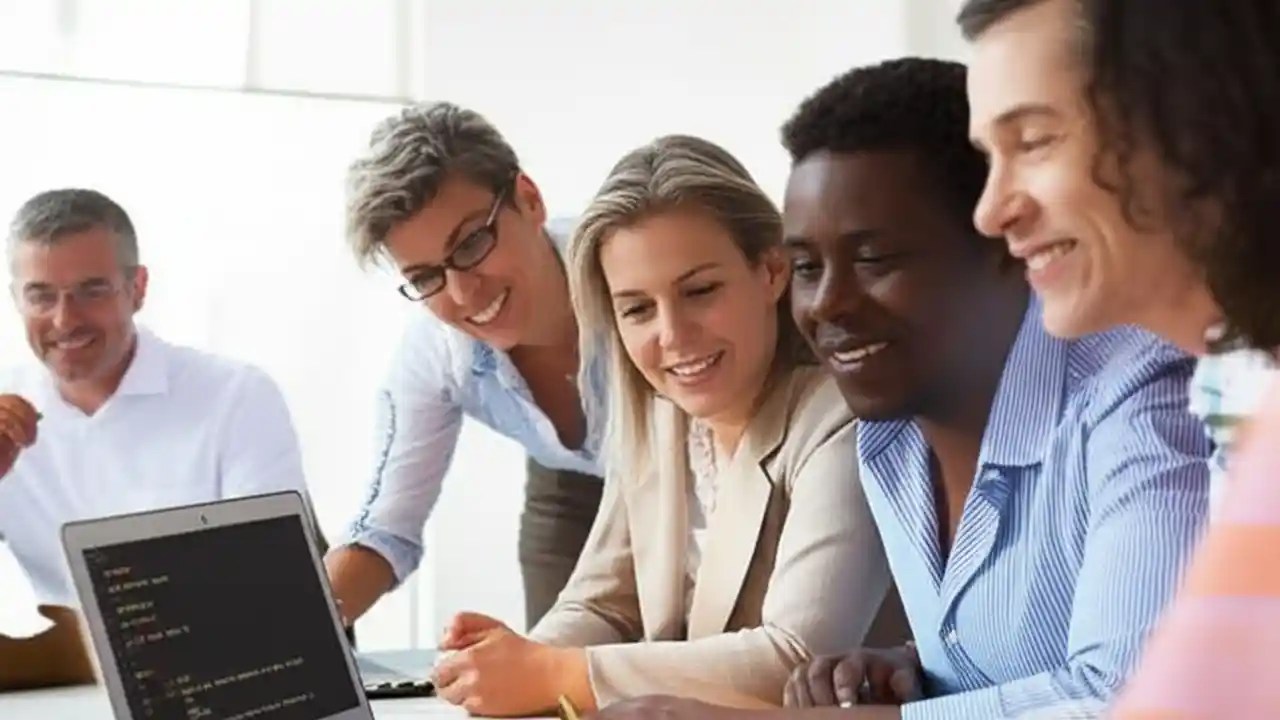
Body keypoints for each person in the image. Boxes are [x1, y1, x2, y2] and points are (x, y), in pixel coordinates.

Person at [584, 58, 1210, 720]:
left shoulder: (1143, 398)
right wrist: (913, 670)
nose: (827, 305)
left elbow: (1134, 699)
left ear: (1001, 245)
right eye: (806, 267)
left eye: (874, 259)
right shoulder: (890, 441)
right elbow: (1019, 664)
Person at [429, 134, 902, 718]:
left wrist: (555, 672)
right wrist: (510, 662)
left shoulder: (844, 420)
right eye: (637, 309)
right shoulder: (657, 414)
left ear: (771, 271)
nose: (672, 336)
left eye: (700, 291)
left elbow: (797, 657)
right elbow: (603, 605)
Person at [955, 1, 1280, 716]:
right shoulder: (1231, 385)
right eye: (989, 157)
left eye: (1035, 141)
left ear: (1196, 124)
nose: (989, 209)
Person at [0, 188, 307, 689]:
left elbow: (271, 584)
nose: (64, 319)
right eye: (41, 295)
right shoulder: (3, 412)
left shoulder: (235, 396)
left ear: (137, 288)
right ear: (15, 298)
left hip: (214, 685)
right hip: (60, 698)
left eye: (91, 290)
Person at [329, 102, 605, 629]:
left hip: (704, 469)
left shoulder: (631, 276)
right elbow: (385, 528)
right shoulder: (435, 351)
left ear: (529, 200)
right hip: (570, 482)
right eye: (426, 276)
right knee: (554, 688)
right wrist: (279, 646)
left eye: (473, 244)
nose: (463, 293)